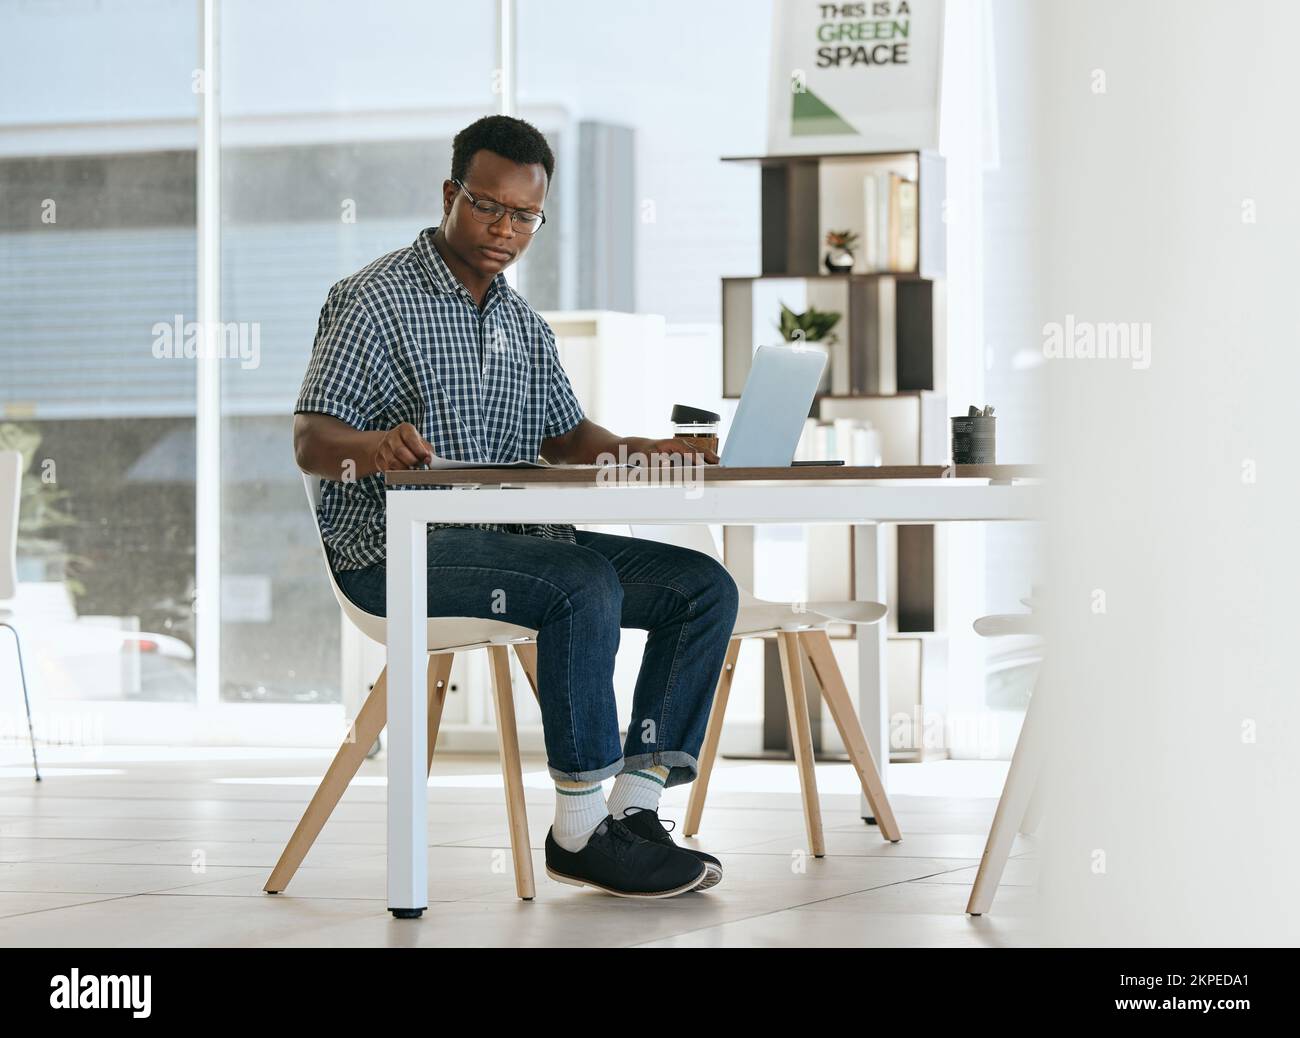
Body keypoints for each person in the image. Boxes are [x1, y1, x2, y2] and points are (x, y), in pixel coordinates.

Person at [292, 114, 739, 898]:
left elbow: (568, 440)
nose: (505, 229)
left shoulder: (523, 325)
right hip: (397, 554)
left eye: (524, 214)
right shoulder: (372, 299)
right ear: (450, 194)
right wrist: (372, 446)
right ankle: (578, 829)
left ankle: (633, 815)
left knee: (702, 587)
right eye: (488, 206)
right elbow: (311, 440)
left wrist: (650, 451)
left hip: (519, 547)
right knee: (579, 581)